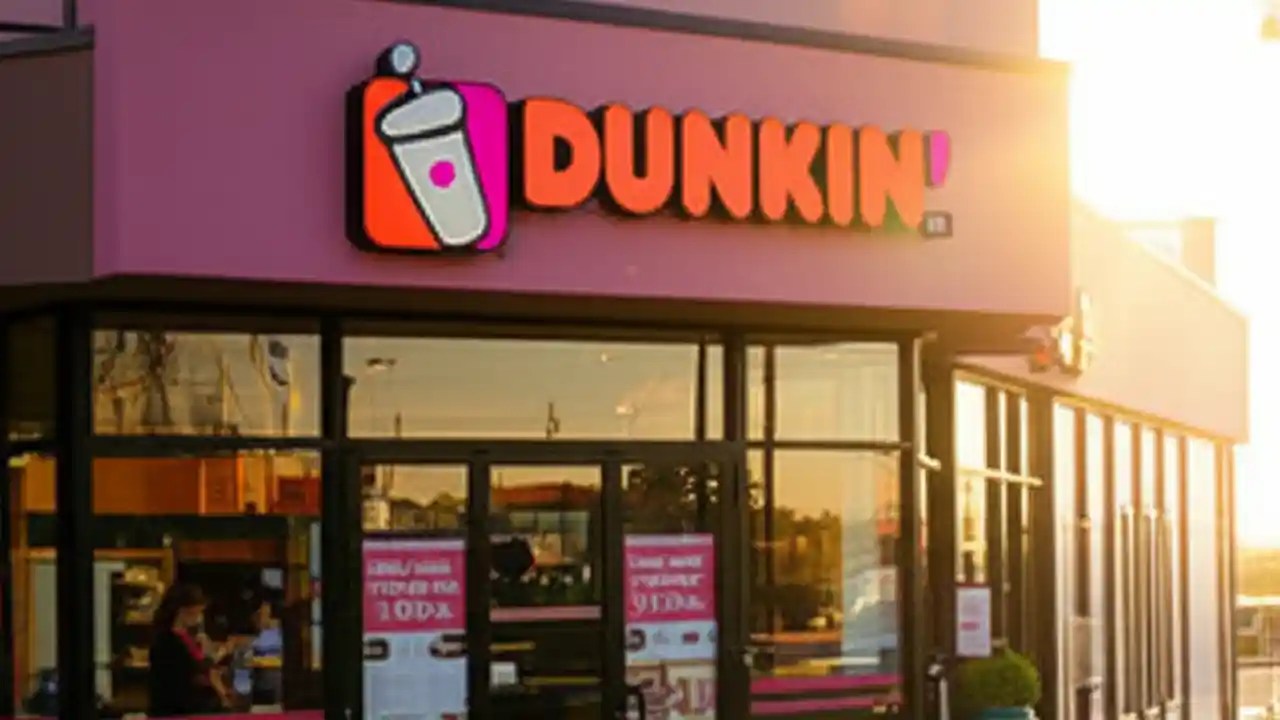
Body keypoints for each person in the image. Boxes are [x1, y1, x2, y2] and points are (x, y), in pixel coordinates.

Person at [148, 583, 230, 716]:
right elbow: (192, 670)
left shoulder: (184, 635)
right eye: (198, 612)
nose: (200, 616)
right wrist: (220, 653)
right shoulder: (167, 639)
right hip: (175, 711)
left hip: (190, 707)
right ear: (183, 611)